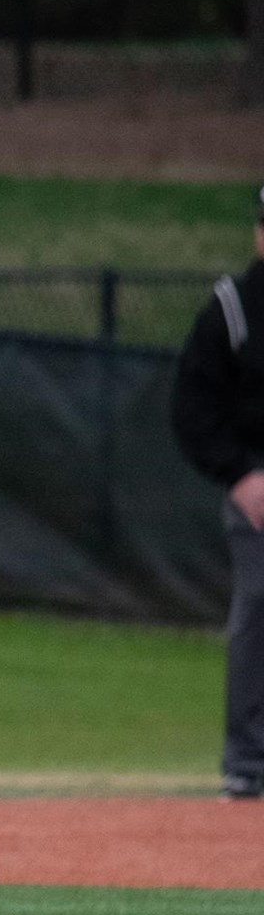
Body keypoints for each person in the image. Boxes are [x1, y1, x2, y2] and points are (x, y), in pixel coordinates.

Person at [171, 181, 264, 802]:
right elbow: (192, 405)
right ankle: (250, 762)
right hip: (259, 487)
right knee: (258, 612)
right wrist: (240, 475)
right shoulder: (235, 307)